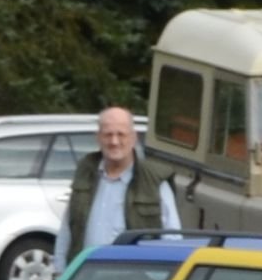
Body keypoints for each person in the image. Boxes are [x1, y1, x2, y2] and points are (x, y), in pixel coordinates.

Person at [60, 106, 186, 267]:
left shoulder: (154, 181)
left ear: (133, 138)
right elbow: (67, 231)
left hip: (134, 278)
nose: (114, 142)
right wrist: (60, 271)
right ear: (98, 137)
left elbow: (173, 239)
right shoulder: (85, 175)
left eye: (121, 134)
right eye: (108, 134)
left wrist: (157, 278)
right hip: (86, 276)